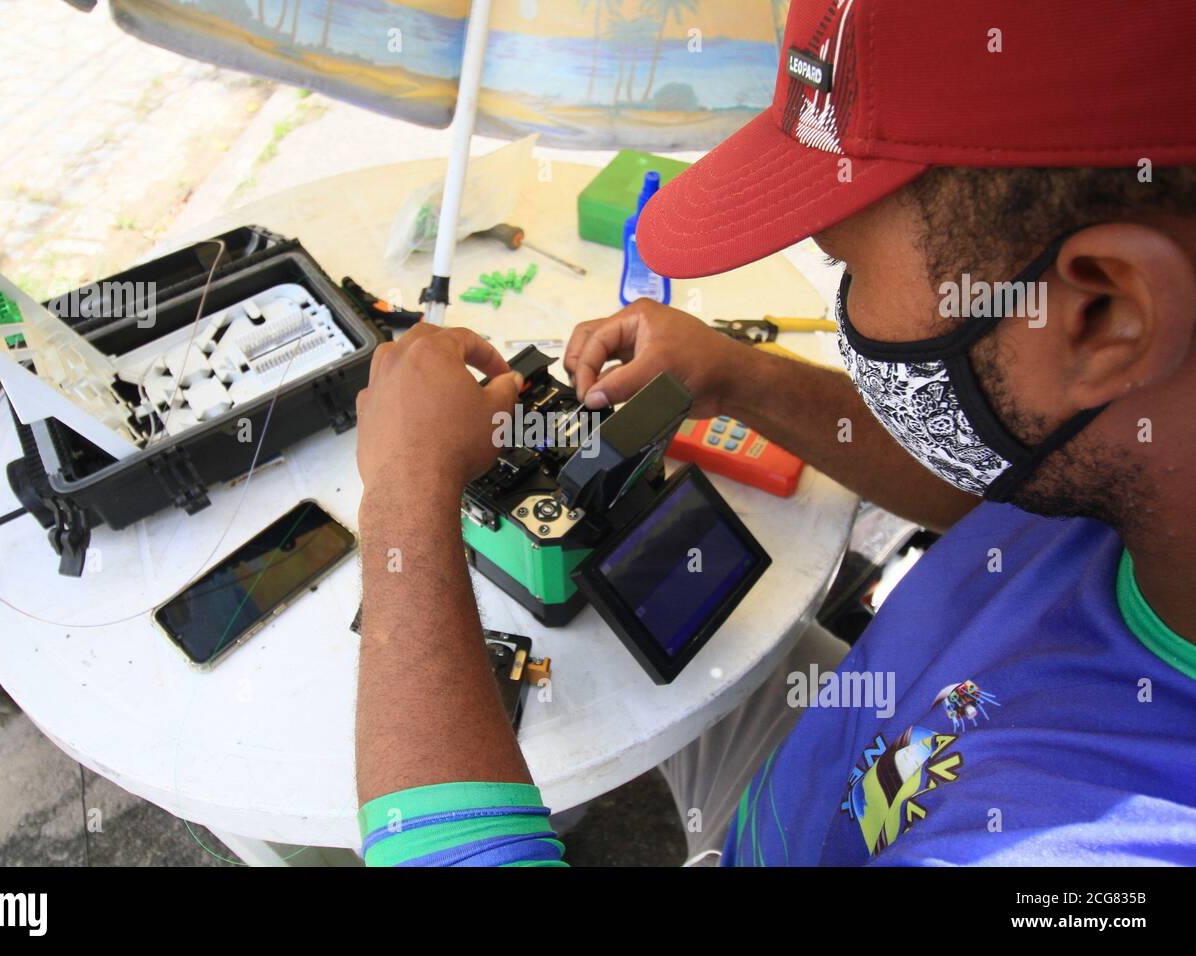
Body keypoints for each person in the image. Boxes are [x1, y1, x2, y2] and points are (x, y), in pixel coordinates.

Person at [351, 0, 1196, 866]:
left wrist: (406, 495)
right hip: (834, 749)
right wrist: (735, 373)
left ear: (1104, 314)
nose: (839, 299)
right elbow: (993, 493)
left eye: (847, 264)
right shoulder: (1134, 460)